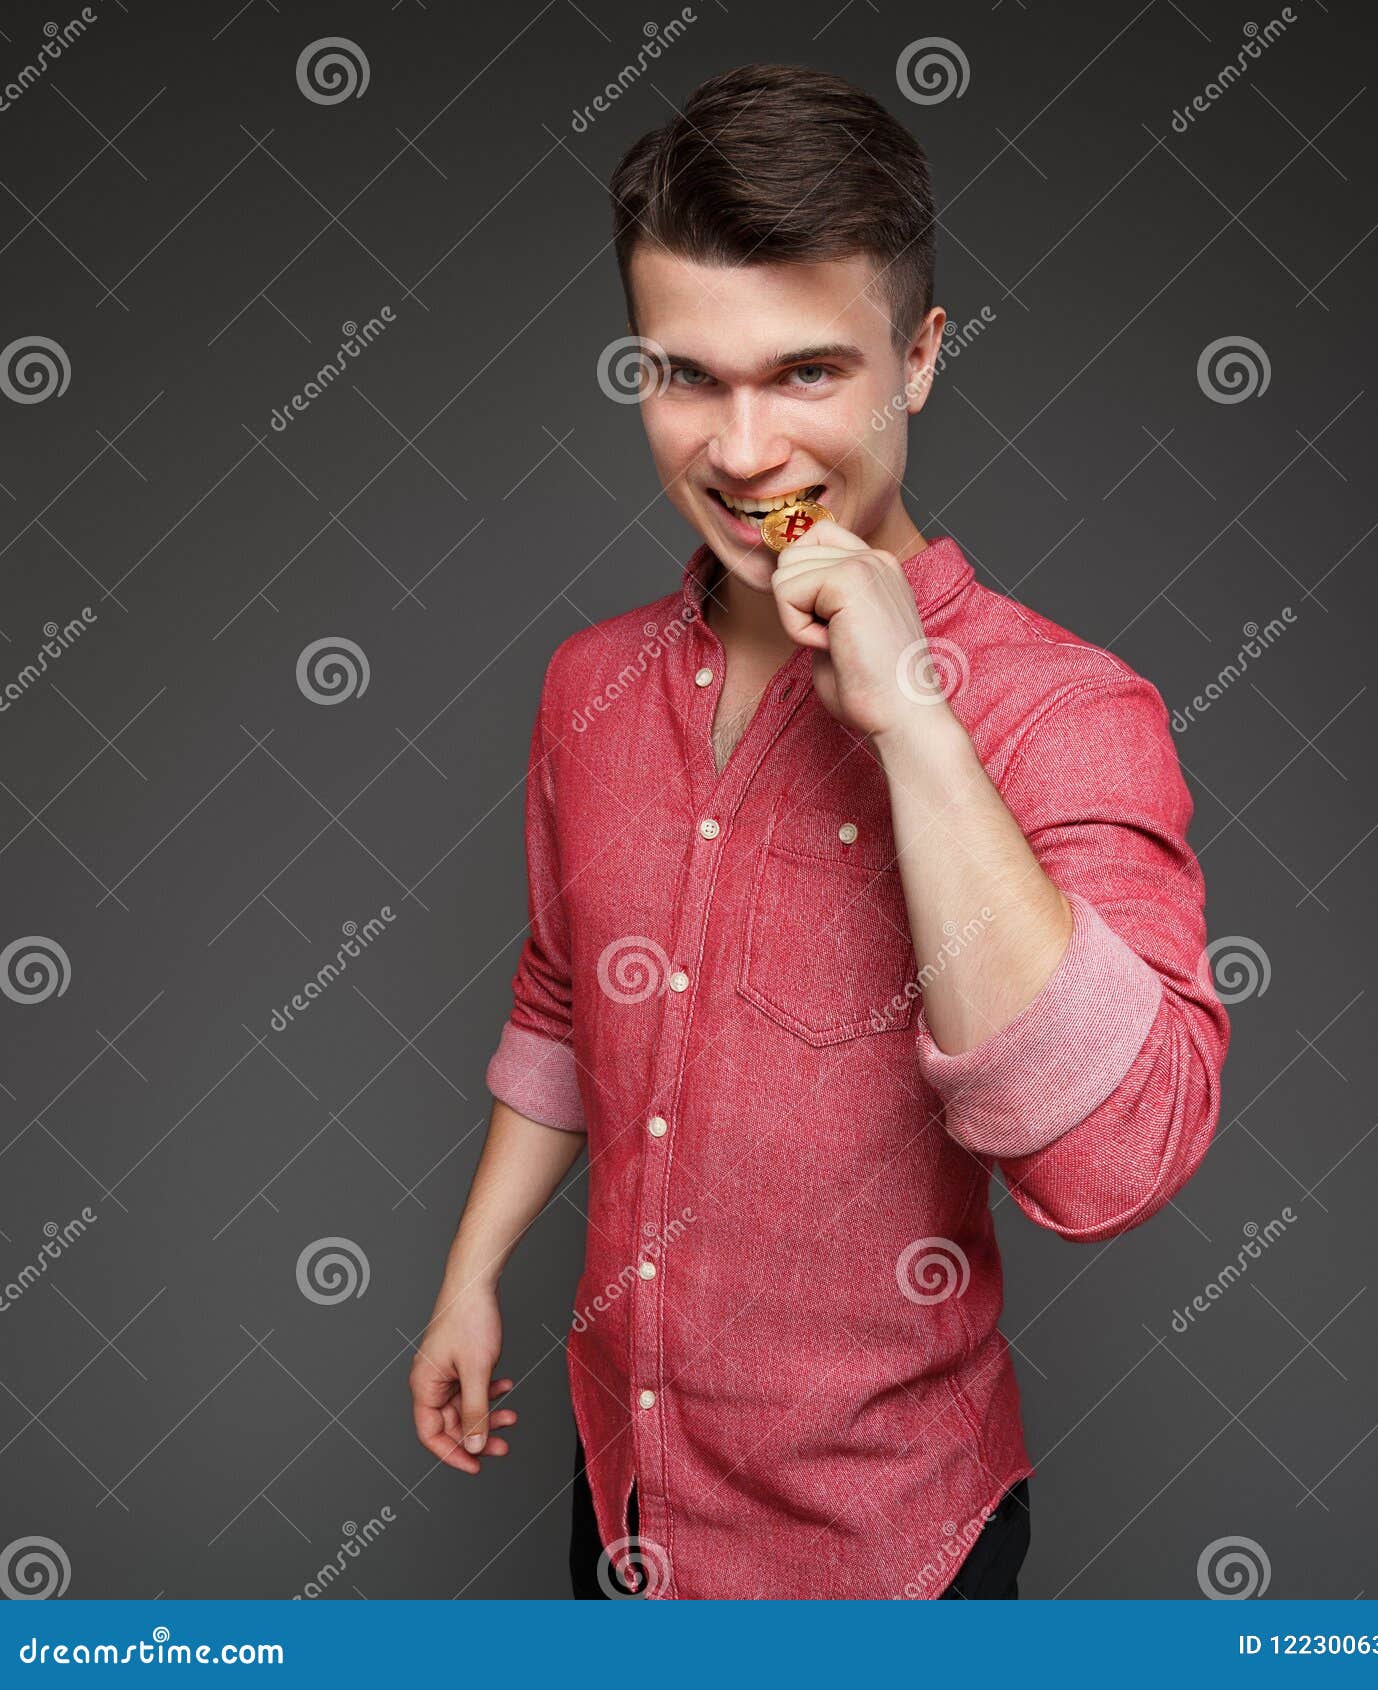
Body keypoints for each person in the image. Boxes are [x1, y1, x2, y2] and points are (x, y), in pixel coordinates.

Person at [409, 62, 1230, 1601]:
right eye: (685, 376)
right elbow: (566, 998)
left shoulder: (1063, 710)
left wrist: (913, 722)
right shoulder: (588, 687)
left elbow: (1117, 1159)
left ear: (918, 359)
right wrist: (471, 1275)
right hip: (628, 1489)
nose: (740, 451)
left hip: (888, 1553)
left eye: (804, 373)